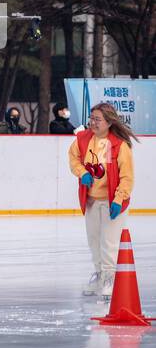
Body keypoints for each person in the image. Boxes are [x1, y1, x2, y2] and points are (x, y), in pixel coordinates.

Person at [68, 102, 137, 298]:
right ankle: (99, 275)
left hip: (112, 202)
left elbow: (127, 177)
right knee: (94, 240)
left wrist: (118, 199)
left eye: (98, 119)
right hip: (91, 200)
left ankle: (109, 278)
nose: (93, 122)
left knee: (109, 242)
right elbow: (73, 158)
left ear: (109, 122)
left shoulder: (119, 145)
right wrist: (81, 173)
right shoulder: (83, 139)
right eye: (92, 118)